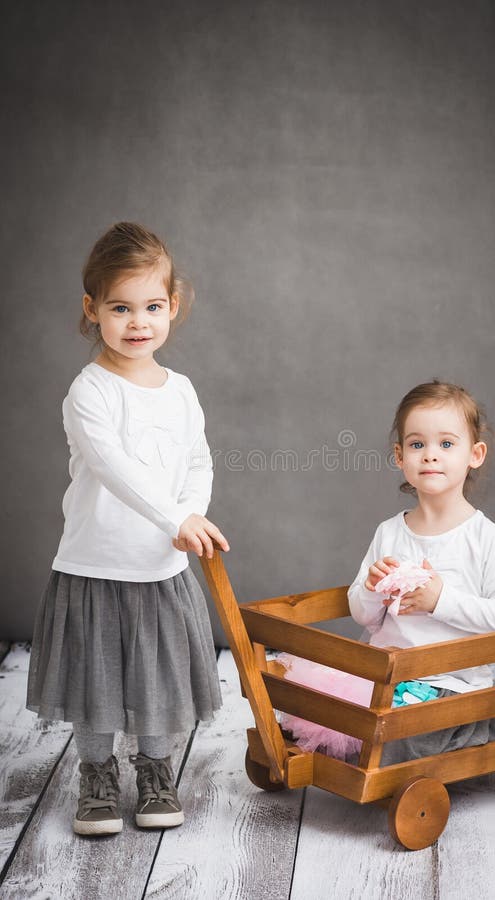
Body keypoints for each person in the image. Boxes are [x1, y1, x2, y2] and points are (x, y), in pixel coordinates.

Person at [26, 222, 229, 835]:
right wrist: (175, 515)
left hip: (158, 566)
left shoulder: (182, 391)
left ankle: (154, 768)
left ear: (174, 307)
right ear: (93, 310)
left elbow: (198, 460)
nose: (138, 322)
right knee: (98, 680)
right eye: (120, 307)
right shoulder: (90, 390)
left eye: (152, 306)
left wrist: (187, 516)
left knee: (156, 678)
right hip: (96, 562)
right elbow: (113, 469)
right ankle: (95, 776)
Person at [348, 380, 495, 764]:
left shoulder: (486, 539)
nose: (430, 455)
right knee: (335, 716)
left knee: (406, 738)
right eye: (417, 444)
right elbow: (363, 616)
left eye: (446, 444)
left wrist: (440, 600)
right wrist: (371, 587)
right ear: (400, 456)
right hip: (385, 680)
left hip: (450, 687)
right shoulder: (389, 532)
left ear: (474, 454)